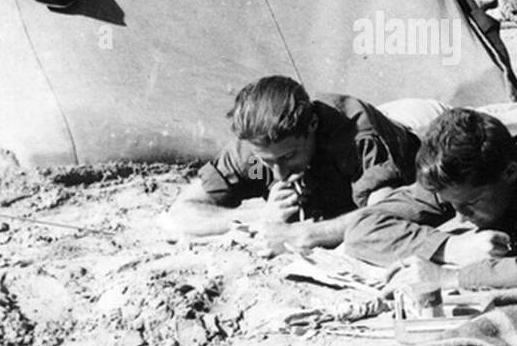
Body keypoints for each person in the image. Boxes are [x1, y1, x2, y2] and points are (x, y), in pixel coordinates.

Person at [342, 109, 517, 292]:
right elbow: (362, 228)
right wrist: (450, 247)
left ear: (509, 173)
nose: (459, 218)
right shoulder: (460, 177)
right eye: (452, 205)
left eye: (471, 205)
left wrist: (450, 277)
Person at [160, 76, 421, 253]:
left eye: (288, 157)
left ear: (312, 126)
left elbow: (386, 215)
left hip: (414, 123)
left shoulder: (357, 138)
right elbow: (178, 217)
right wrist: (262, 217)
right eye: (267, 161)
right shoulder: (252, 149)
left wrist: (301, 234)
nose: (279, 173)